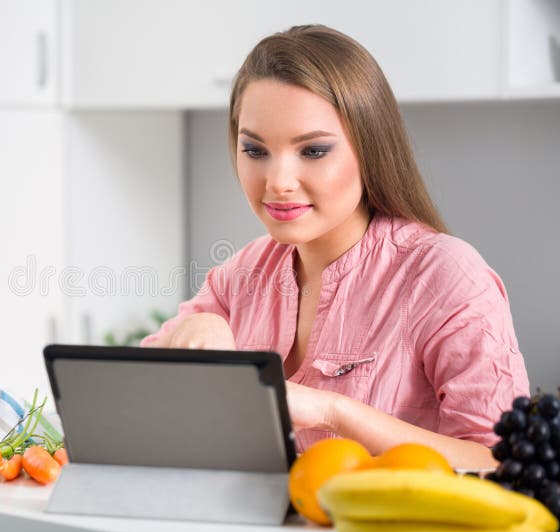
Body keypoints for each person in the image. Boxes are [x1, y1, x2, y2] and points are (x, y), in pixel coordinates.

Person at [140, 25, 529, 469]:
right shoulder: (243, 272)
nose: (278, 182)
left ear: (370, 149)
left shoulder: (445, 276)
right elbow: (135, 396)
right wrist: (198, 327)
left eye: (313, 151)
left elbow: (500, 462)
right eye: (255, 149)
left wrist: (334, 412)